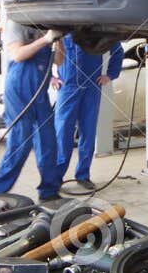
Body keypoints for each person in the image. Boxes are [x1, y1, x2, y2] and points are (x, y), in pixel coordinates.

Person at [0, 14, 64, 202]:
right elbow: (18, 54)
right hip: (19, 89)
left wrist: (58, 39)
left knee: (48, 142)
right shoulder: (16, 22)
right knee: (21, 142)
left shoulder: (48, 23)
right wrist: (46, 39)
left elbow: (59, 61)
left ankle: (49, 191)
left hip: (40, 90)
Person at [52, 36, 124, 190]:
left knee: (88, 132)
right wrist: (51, 78)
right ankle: (56, 177)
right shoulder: (62, 30)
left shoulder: (96, 31)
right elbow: (43, 53)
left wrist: (110, 74)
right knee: (63, 133)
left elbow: (117, 50)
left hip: (92, 87)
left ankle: (83, 175)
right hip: (67, 87)